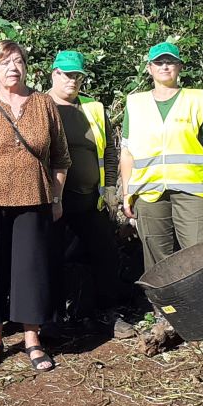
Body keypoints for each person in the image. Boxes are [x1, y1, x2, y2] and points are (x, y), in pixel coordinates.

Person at [0, 41, 70, 371]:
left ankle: (31, 338)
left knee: (30, 271)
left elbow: (61, 158)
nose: (12, 68)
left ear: (26, 67)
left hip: (34, 201)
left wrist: (56, 197)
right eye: (4, 62)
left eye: (18, 61)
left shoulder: (44, 105)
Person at [120, 41, 203, 275]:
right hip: (148, 191)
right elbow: (127, 153)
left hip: (194, 191)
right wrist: (127, 194)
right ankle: (164, 309)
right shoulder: (135, 103)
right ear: (149, 68)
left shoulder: (198, 99)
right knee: (157, 256)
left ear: (180, 67)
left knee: (200, 252)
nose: (165, 67)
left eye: (171, 62)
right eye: (159, 62)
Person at [46, 51, 128, 326]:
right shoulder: (39, 105)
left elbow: (109, 151)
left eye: (78, 75)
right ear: (54, 74)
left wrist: (110, 188)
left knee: (105, 252)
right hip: (52, 198)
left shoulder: (93, 107)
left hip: (91, 198)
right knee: (50, 255)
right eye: (68, 75)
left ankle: (109, 311)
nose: (73, 80)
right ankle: (52, 318)